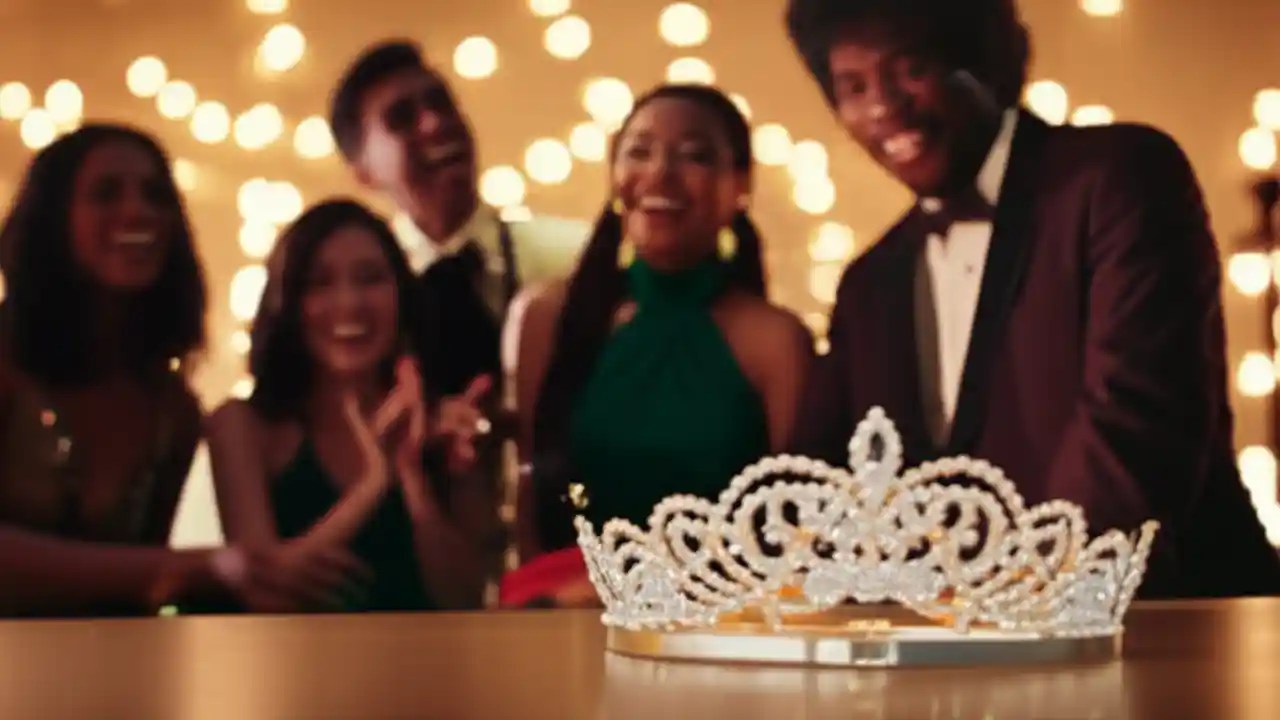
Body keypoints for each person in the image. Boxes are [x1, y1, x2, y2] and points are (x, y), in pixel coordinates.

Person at [784, 0, 1280, 597]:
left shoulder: (1116, 175)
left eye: (910, 69)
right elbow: (820, 481)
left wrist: (1031, 599)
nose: (882, 106)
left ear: (984, 61)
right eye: (853, 87)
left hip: (1173, 617)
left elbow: (1133, 427)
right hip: (965, 642)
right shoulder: (869, 280)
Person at [0, 124, 352, 616]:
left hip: (113, 661)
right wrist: (202, 566)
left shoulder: (171, 409)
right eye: (106, 193)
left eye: (156, 196)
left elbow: (140, 595)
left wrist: (236, 573)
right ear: (52, 220)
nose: (138, 211)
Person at [507, 84, 813, 607]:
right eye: (639, 151)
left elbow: (791, 535)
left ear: (739, 185)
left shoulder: (775, 341)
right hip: (559, 615)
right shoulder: (548, 317)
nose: (660, 173)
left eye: (694, 155)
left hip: (718, 623)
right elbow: (531, 498)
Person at [328, 39, 589, 584]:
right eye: (402, 118)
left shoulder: (573, 260)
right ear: (362, 170)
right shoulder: (355, 304)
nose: (434, 123)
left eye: (441, 102)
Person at [206, 199, 489, 611]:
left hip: (422, 653)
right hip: (295, 654)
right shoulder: (242, 425)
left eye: (370, 279)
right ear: (287, 302)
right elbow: (266, 593)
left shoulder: (443, 422)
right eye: (319, 283)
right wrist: (372, 484)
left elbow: (464, 600)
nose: (350, 302)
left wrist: (411, 476)